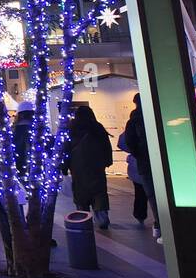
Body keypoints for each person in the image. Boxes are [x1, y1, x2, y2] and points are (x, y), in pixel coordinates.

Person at [121, 94, 161, 243]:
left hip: (144, 162)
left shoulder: (134, 119)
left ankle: (158, 223)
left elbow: (129, 142)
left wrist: (138, 154)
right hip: (161, 161)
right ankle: (166, 223)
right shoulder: (157, 115)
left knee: (149, 193)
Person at [65, 105, 113, 229]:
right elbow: (106, 146)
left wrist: (64, 166)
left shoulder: (71, 129)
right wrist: (107, 161)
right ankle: (102, 218)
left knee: (81, 194)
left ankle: (83, 218)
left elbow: (66, 149)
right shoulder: (97, 127)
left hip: (77, 167)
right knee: (99, 192)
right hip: (97, 167)